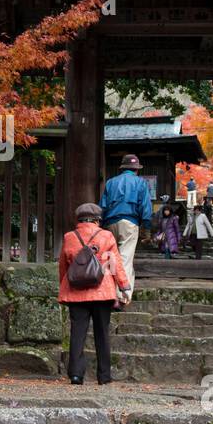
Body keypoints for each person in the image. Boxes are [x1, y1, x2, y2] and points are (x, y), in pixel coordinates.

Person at [58, 203, 130, 385]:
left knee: (77, 333)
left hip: (76, 291)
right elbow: (116, 264)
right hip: (102, 292)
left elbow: (64, 266)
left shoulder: (69, 237)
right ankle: (104, 376)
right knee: (102, 333)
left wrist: (64, 285)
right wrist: (124, 286)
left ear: (79, 219)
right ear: (98, 219)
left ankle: (75, 375)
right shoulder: (106, 236)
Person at [100, 153, 151, 304]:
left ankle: (105, 292)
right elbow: (145, 206)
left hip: (109, 223)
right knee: (125, 259)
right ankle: (121, 295)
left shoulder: (110, 182)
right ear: (136, 169)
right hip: (129, 222)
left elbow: (102, 206)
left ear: (123, 168)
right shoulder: (140, 183)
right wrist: (147, 228)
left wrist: (101, 226)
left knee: (109, 258)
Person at [184, 194, 213, 258]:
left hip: (200, 233)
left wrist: (212, 233)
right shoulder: (192, 216)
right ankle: (196, 253)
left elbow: (208, 224)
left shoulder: (203, 216)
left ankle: (198, 256)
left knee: (199, 246)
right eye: (195, 210)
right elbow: (188, 225)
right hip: (193, 233)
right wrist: (185, 233)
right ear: (194, 211)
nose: (197, 211)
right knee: (192, 244)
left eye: (198, 210)